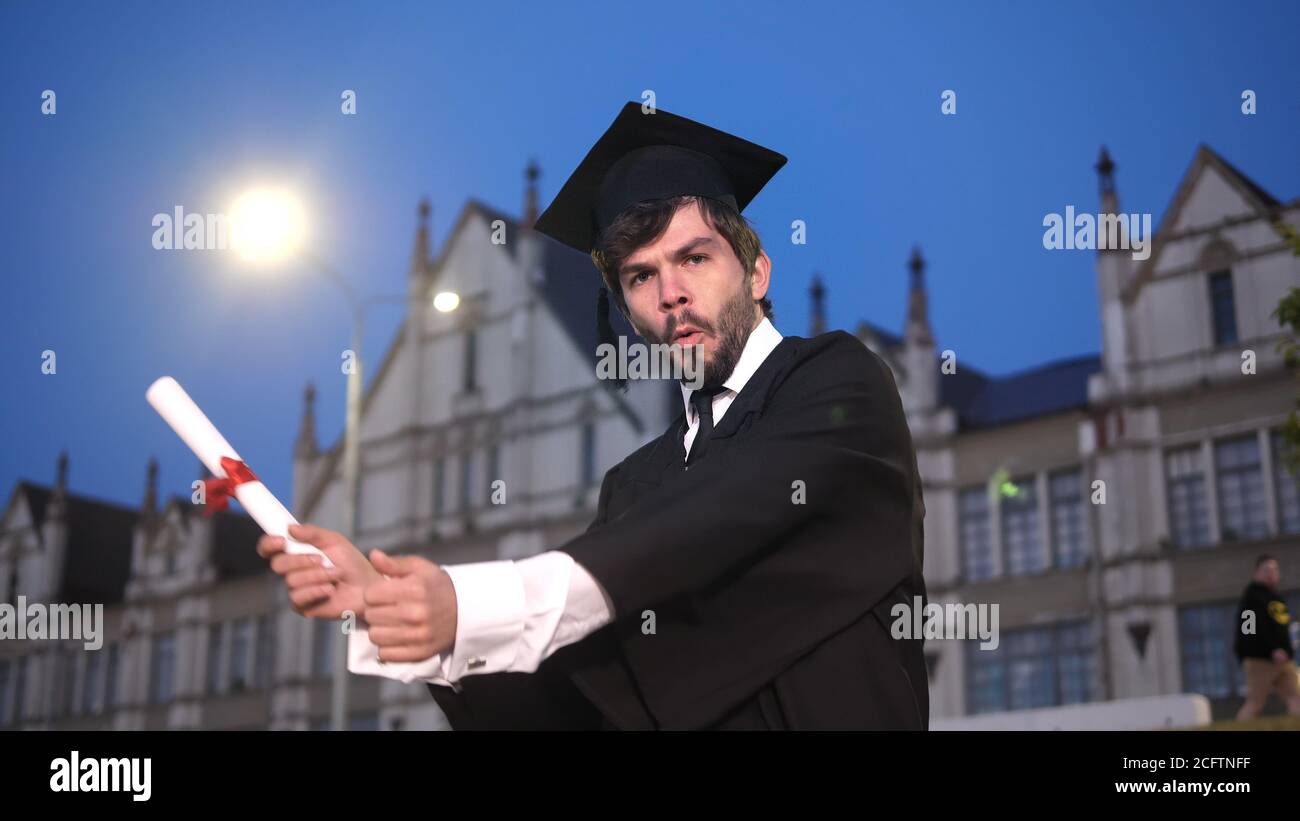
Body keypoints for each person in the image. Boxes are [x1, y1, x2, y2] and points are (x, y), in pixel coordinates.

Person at [258, 101, 929, 729]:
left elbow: (720, 519)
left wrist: (470, 603)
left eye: (695, 257)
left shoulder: (839, 388)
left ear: (756, 271)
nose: (671, 293)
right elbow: (579, 703)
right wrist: (397, 611)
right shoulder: (636, 485)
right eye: (640, 276)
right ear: (629, 314)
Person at [1234, 554, 1300, 720]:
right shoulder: (1251, 598)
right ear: (1257, 573)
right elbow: (1248, 631)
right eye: (1266, 570)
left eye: (1274, 570)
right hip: (1259, 660)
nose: (1271, 573)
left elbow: (1282, 629)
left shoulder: (1277, 598)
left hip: (1283, 660)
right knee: (1255, 704)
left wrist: (1285, 650)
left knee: (1296, 698)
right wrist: (1270, 650)